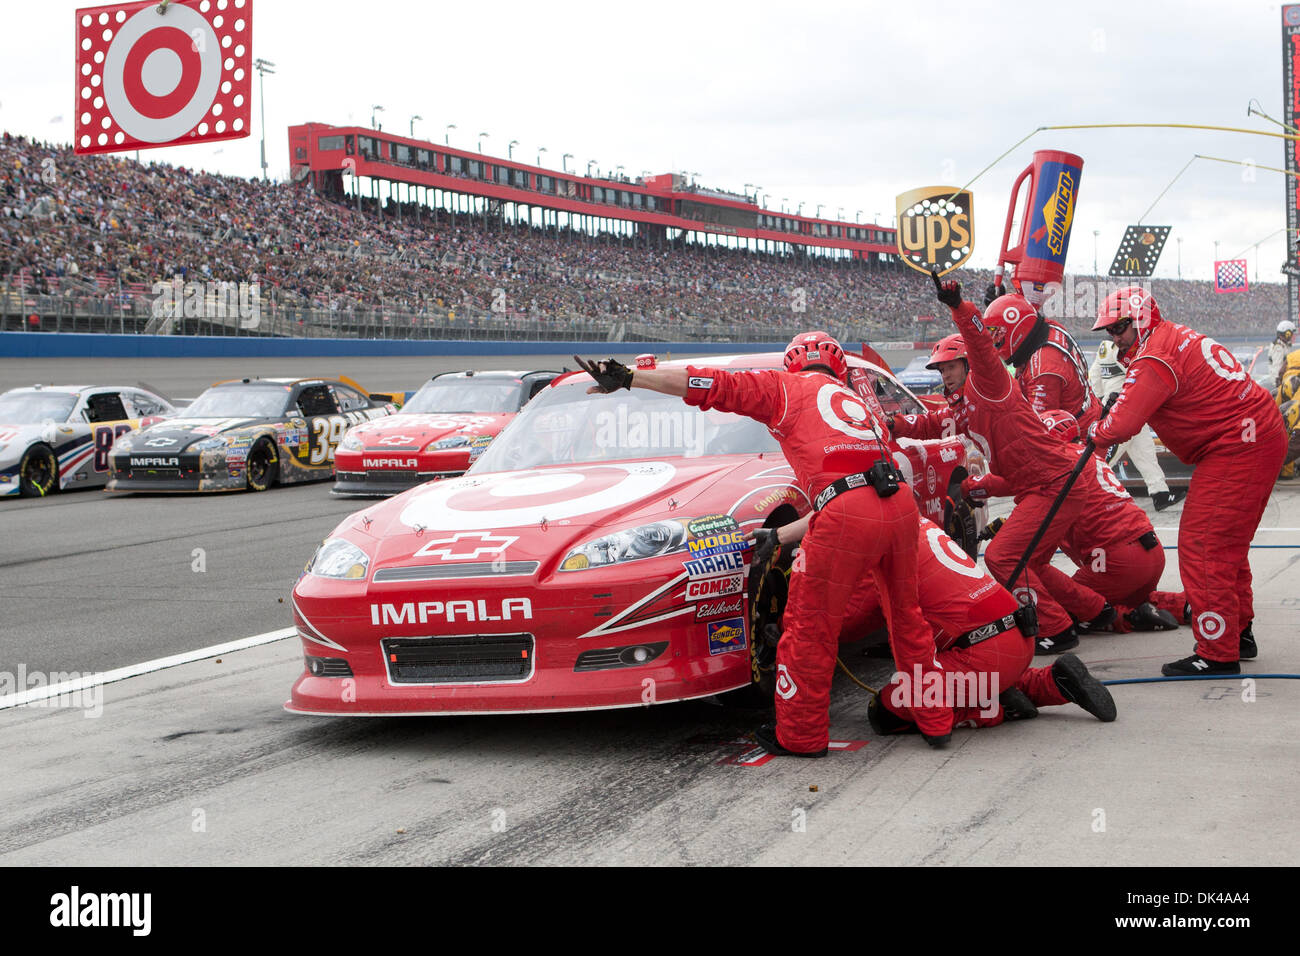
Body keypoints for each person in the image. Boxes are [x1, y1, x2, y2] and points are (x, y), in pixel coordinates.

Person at [575, 334, 943, 755]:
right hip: (897, 507)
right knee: (908, 619)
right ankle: (935, 718)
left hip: (846, 510)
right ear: (838, 368)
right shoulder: (860, 403)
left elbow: (707, 384)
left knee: (809, 626)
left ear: (792, 366)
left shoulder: (784, 387)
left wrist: (631, 377)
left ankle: (801, 735)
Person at [891, 275, 1115, 656]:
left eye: (948, 367)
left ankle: (1058, 630)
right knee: (1035, 564)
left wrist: (957, 305)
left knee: (1001, 557)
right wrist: (888, 424)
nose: (942, 375)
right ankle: (1097, 611)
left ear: (967, 363)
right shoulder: (964, 407)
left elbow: (980, 342)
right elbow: (928, 423)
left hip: (1054, 483)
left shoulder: (988, 384)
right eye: (938, 370)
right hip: (1048, 485)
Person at [756, 513, 1117, 731]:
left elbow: (848, 622)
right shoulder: (914, 524)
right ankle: (1053, 681)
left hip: (979, 655)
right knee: (975, 668)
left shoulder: (879, 549)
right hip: (1015, 638)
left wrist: (790, 632)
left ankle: (991, 708)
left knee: (884, 711)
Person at [1088, 287, 1287, 675]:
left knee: (1203, 545)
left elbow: (1124, 424)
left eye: (1121, 327)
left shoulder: (1154, 355)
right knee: (1225, 546)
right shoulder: (1168, 337)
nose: (1114, 337)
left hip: (1238, 445)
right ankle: (1237, 633)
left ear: (1141, 319)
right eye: (1109, 330)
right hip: (1252, 436)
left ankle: (1217, 652)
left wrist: (1093, 433)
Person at [964, 408, 1178, 635]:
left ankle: (1124, 618)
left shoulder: (1057, 464)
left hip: (1116, 561)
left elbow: (1006, 483)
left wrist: (969, 486)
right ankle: (1181, 606)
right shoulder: (1088, 456)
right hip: (1151, 553)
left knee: (1052, 599)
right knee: (1132, 596)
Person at [980, 288, 1101, 431]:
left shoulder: (1043, 371)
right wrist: (999, 308)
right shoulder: (1049, 328)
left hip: (1081, 439)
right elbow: (1024, 312)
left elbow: (1037, 431)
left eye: (996, 333)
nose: (995, 341)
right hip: (1089, 414)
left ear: (1014, 330)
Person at [1089, 338, 1183, 510]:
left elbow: (1094, 378)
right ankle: (1087, 486)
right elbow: (1140, 372)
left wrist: (1103, 398)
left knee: (1145, 453)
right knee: (1108, 456)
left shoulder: (1103, 347)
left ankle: (1160, 493)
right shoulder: (1124, 351)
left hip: (1122, 407)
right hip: (1124, 409)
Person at [1267, 319, 1295, 385]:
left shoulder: (1283, 345)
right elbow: (1277, 366)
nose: (1292, 336)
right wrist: (1278, 382)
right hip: (1280, 382)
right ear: (1287, 334)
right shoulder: (1279, 347)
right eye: (1291, 333)